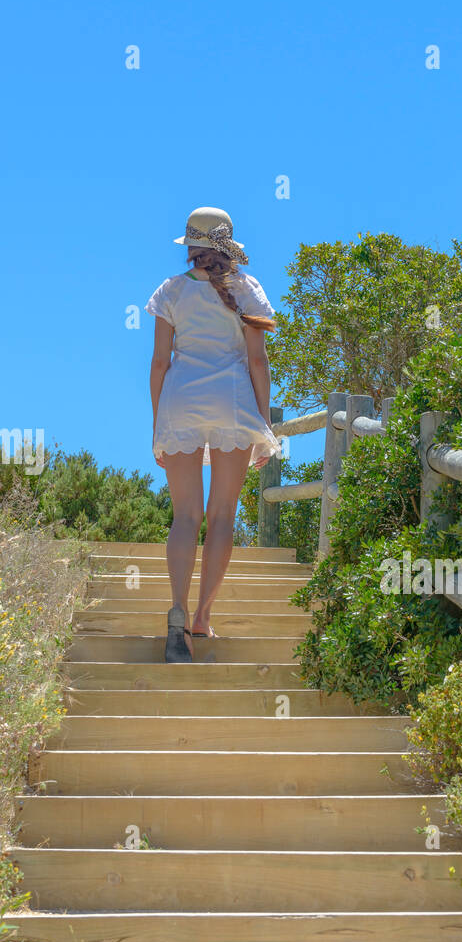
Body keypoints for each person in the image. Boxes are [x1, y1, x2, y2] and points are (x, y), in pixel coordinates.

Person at [146, 206, 282, 662]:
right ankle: (203, 619)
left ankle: (177, 614)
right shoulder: (248, 289)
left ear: (190, 247)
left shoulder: (170, 292)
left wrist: (158, 426)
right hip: (233, 402)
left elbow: (160, 363)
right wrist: (262, 425)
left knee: (185, 515)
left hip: (180, 402)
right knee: (221, 514)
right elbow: (258, 362)